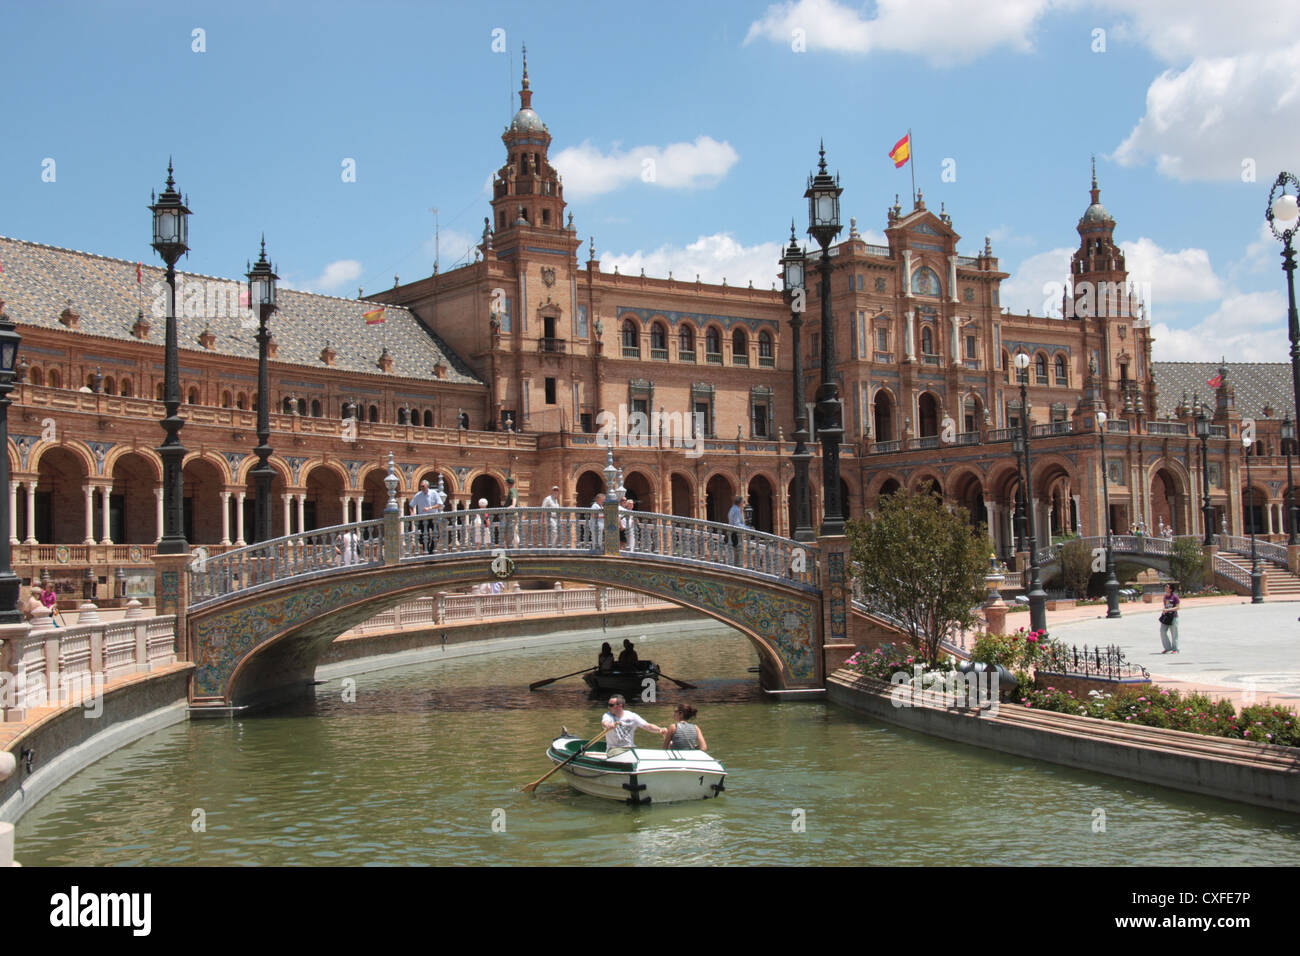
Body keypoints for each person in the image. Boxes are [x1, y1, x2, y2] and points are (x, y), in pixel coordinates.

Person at [410, 479, 439, 552]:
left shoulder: (434, 493)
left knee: (436, 534)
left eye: (423, 486)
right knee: (423, 536)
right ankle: (426, 550)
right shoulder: (418, 495)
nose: (421, 488)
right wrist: (412, 513)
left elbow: (440, 504)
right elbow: (411, 505)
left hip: (433, 517)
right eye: (420, 486)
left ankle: (431, 550)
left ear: (427, 486)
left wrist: (430, 508)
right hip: (423, 518)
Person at [1160, 583, 1180, 653]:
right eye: (1165, 586)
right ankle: (1167, 648)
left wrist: (1168, 610)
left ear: (1171, 589)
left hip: (1173, 617)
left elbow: (1178, 607)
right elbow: (1165, 606)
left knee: (1174, 633)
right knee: (1162, 631)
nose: (1165, 587)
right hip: (1166, 617)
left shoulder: (1175, 597)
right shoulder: (1165, 597)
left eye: (1167, 587)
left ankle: (1175, 649)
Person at [727, 495, 747, 562]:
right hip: (736, 533)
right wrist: (748, 528)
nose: (744, 504)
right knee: (738, 552)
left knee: (736, 552)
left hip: (732, 533)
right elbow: (737, 524)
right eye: (743, 502)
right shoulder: (737, 510)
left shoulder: (732, 509)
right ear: (740, 503)